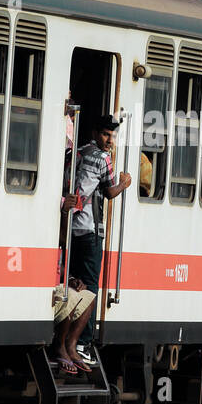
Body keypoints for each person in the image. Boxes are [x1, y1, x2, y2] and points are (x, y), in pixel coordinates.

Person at [62, 114, 132, 363]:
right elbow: (111, 191)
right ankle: (82, 342)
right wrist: (125, 183)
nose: (109, 140)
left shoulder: (77, 153)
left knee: (74, 284)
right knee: (90, 287)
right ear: (95, 133)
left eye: (111, 136)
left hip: (71, 229)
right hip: (90, 231)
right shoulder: (103, 158)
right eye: (105, 134)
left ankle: (64, 340)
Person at [51, 277, 96, 375]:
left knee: (88, 296)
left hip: (57, 284)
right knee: (69, 294)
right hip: (45, 286)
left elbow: (59, 268)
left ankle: (70, 346)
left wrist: (71, 279)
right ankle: (60, 346)